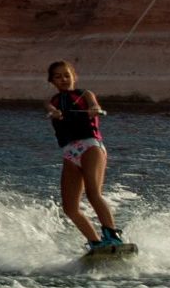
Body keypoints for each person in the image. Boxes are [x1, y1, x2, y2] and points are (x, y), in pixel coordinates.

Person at [45, 59, 124, 249]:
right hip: (70, 153)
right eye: (58, 77)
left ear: (74, 76)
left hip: (91, 146)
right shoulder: (52, 102)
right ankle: (95, 242)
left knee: (92, 192)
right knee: (70, 208)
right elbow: (51, 110)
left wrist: (94, 109)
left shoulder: (85, 94)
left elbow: (94, 105)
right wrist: (55, 113)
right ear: (52, 81)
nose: (63, 79)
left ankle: (112, 234)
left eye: (67, 75)